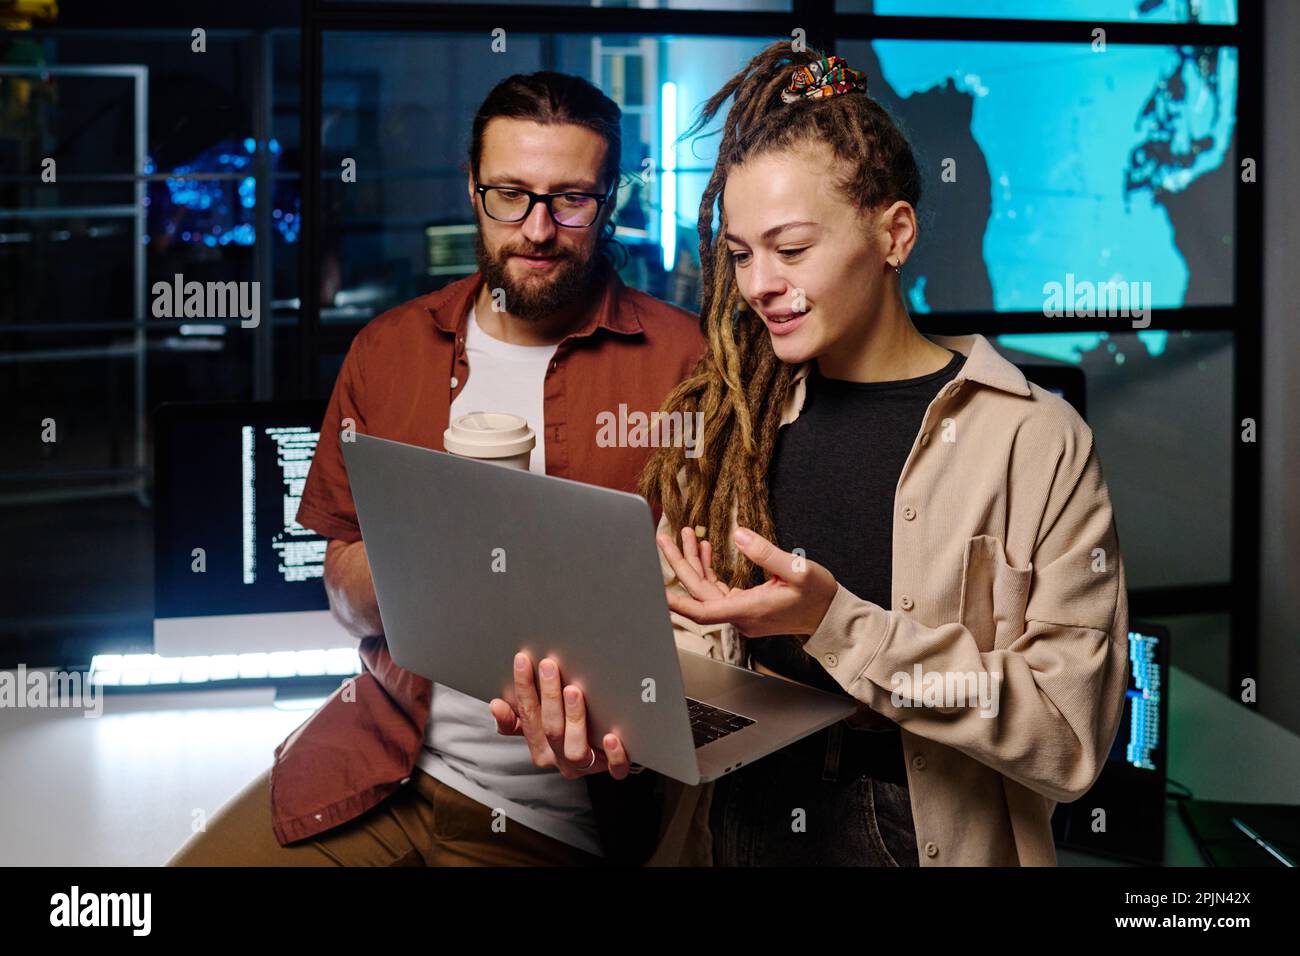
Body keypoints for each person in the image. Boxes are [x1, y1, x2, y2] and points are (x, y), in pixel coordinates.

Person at [492, 42, 1131, 867]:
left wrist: (835, 626)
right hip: (732, 829)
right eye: (740, 255)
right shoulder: (725, 429)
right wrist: (597, 712)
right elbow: (683, 663)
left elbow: (1069, 734)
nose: (759, 283)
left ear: (893, 233)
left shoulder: (1035, 440)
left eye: (791, 249)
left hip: (915, 832)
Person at [167, 71, 707, 866]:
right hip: (381, 761)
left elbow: (720, 607)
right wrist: (426, 572)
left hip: (562, 815)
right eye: (510, 196)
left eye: (570, 199)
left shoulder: (687, 362)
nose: (538, 229)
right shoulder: (389, 350)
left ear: (610, 202)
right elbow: (339, 582)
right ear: (471, 188)